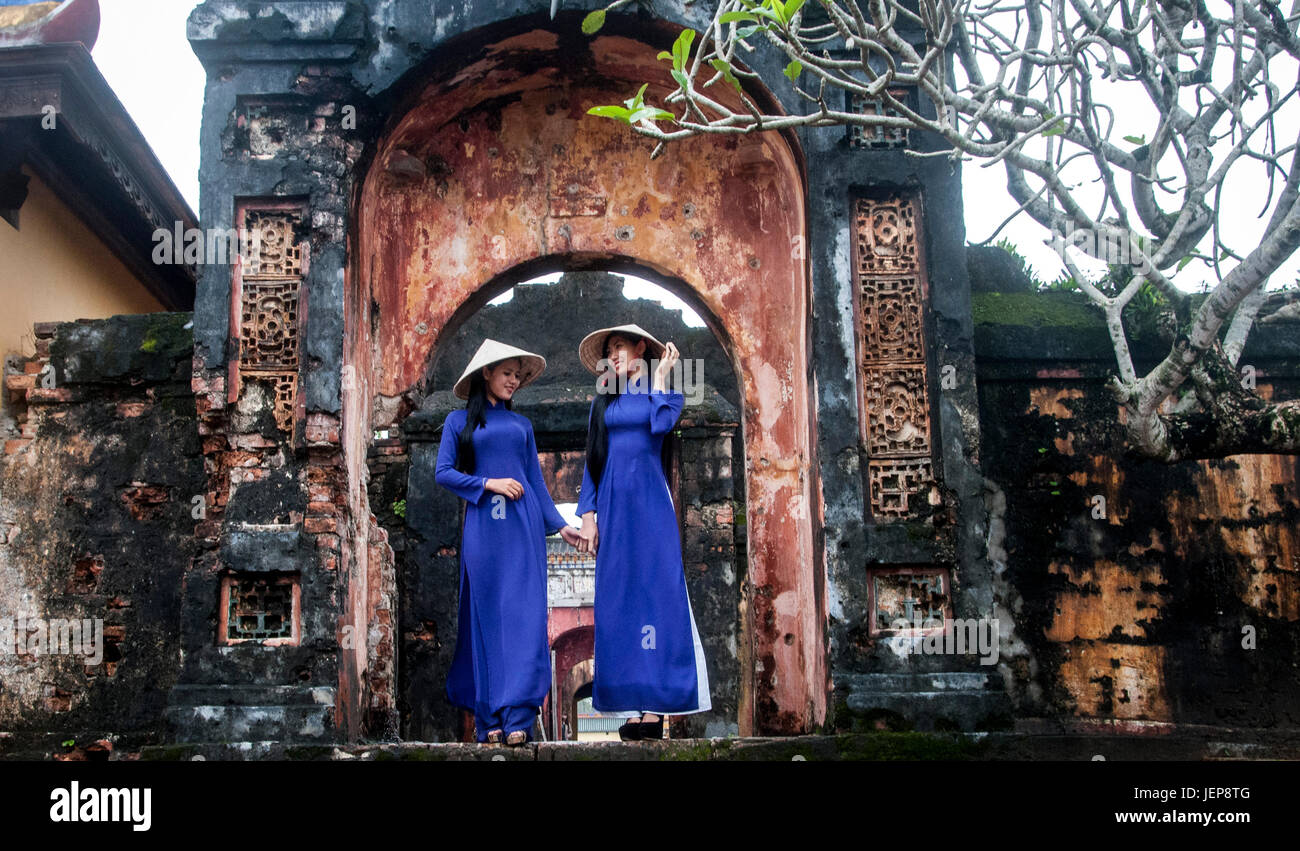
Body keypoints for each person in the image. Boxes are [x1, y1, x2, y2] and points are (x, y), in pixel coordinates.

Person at [435, 339, 583, 746]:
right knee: (485, 620)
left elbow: (534, 482)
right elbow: (443, 473)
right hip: (483, 527)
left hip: (523, 529)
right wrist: (488, 483)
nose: (514, 381)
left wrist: (561, 524)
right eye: (508, 373)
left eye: (519, 375)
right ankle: (489, 720)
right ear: (487, 373)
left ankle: (518, 716)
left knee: (523, 619)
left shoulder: (522, 427)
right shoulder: (457, 423)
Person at [574, 323, 711, 741]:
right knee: (619, 602)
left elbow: (662, 424)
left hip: (651, 508)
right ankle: (632, 708)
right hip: (614, 511)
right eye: (609, 349)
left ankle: (656, 709)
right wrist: (589, 516)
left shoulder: (660, 393)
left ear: (639, 348)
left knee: (656, 597)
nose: (613, 355)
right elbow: (593, 462)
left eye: (619, 347)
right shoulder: (602, 404)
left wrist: (661, 378)